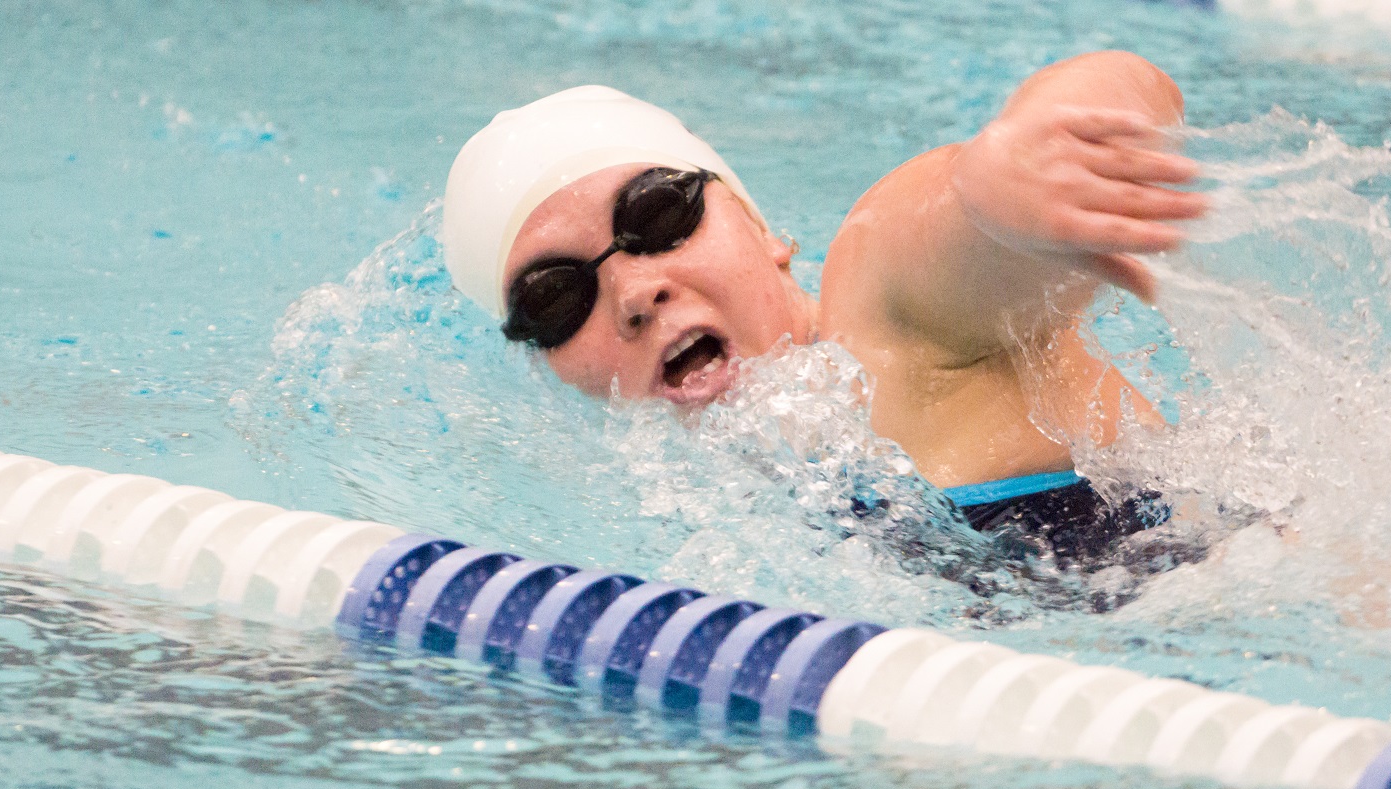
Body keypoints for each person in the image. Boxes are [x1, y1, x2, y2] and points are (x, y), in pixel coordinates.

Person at [441, 51, 1206, 564]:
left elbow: (1121, 83)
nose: (635, 293)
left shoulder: (885, 327)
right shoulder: (674, 503)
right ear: (545, 361)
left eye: (657, 218)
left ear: (763, 230)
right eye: (556, 296)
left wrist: (1019, 173)